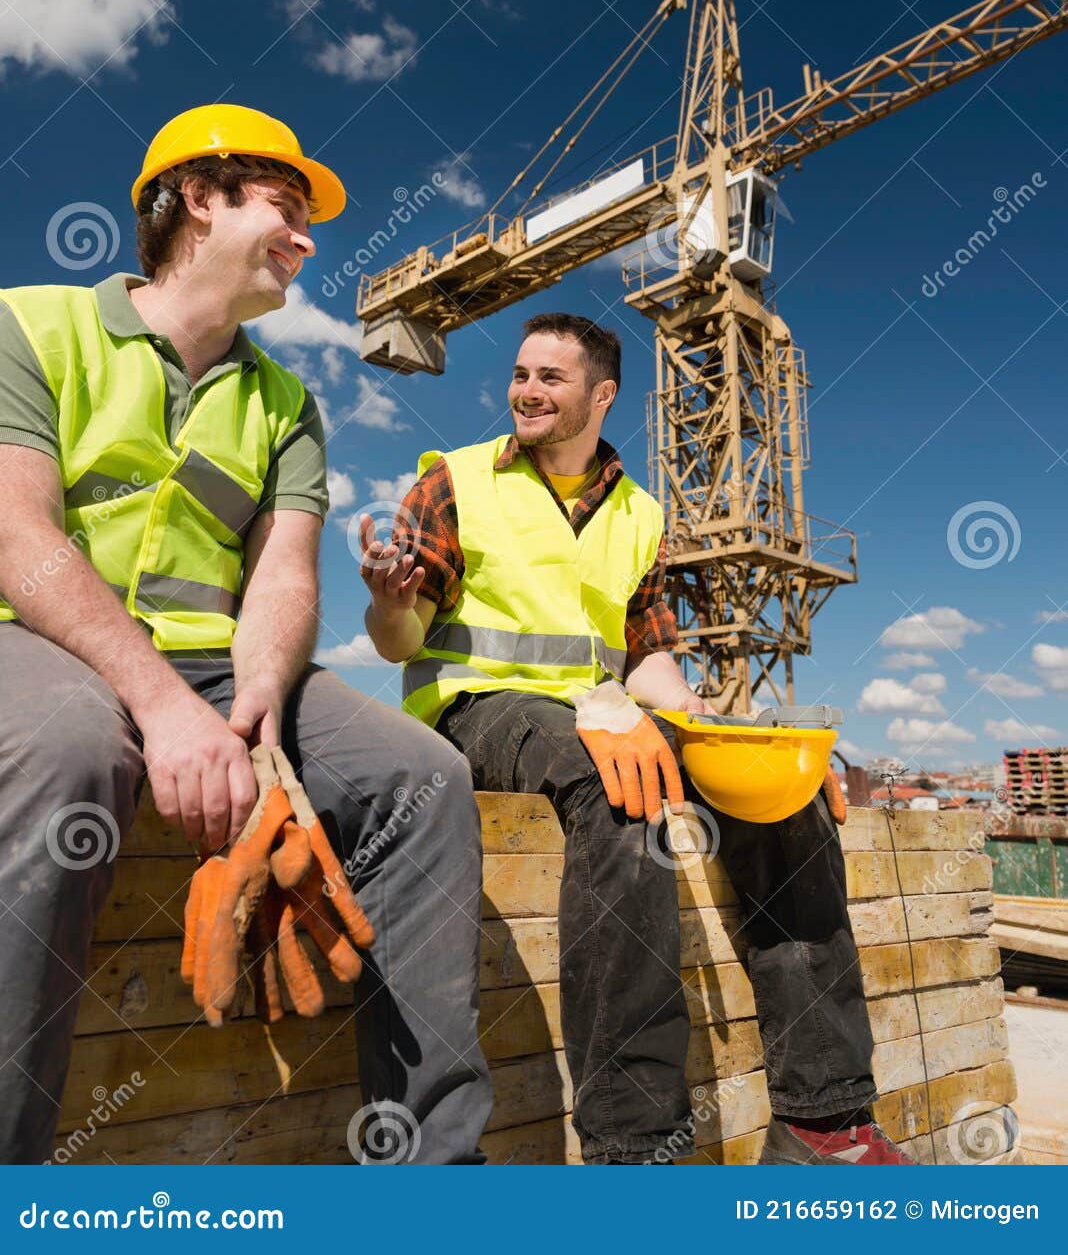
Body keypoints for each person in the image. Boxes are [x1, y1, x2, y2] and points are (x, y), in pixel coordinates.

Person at [0, 104, 491, 1165]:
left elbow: (281, 574)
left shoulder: (287, 404)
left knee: (429, 779)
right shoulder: (32, 326)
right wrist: (168, 713)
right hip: (34, 639)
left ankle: (433, 1180)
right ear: (196, 199)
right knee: (68, 750)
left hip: (220, 665)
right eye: (283, 204)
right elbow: (18, 535)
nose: (307, 237)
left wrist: (256, 719)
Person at [361, 311, 915, 1166]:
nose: (526, 391)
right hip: (478, 711)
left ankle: (824, 1118)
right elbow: (400, 642)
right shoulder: (455, 482)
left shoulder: (640, 513)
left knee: (782, 798)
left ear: (603, 395)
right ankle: (636, 1145)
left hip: (602, 711)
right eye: (519, 375)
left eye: (550, 377)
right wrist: (391, 598)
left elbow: (648, 661)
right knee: (624, 799)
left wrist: (721, 735)